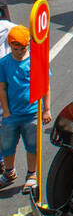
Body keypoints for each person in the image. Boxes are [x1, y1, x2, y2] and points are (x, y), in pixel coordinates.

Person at [0, 26, 52, 193]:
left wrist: (46, 110)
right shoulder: (4, 63)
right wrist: (6, 111)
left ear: (28, 45)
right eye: (16, 49)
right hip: (11, 115)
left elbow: (45, 86)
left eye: (23, 48)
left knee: (32, 146)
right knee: (7, 146)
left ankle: (31, 174)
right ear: (10, 46)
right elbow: (2, 88)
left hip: (32, 114)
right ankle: (9, 173)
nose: (19, 52)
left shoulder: (36, 60)